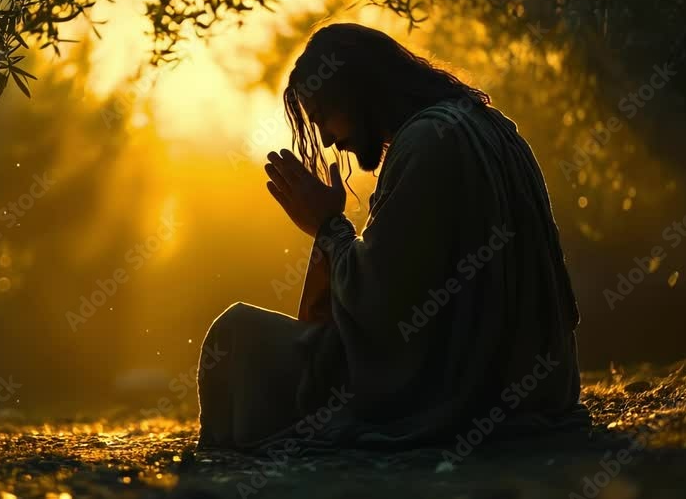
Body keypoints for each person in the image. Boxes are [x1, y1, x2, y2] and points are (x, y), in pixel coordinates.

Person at [196, 23, 587, 452]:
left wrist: (328, 226)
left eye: (324, 116)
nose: (327, 139)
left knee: (236, 334)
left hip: (451, 396)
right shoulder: (495, 128)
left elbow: (382, 305)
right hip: (539, 389)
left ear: (358, 90)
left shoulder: (426, 140)